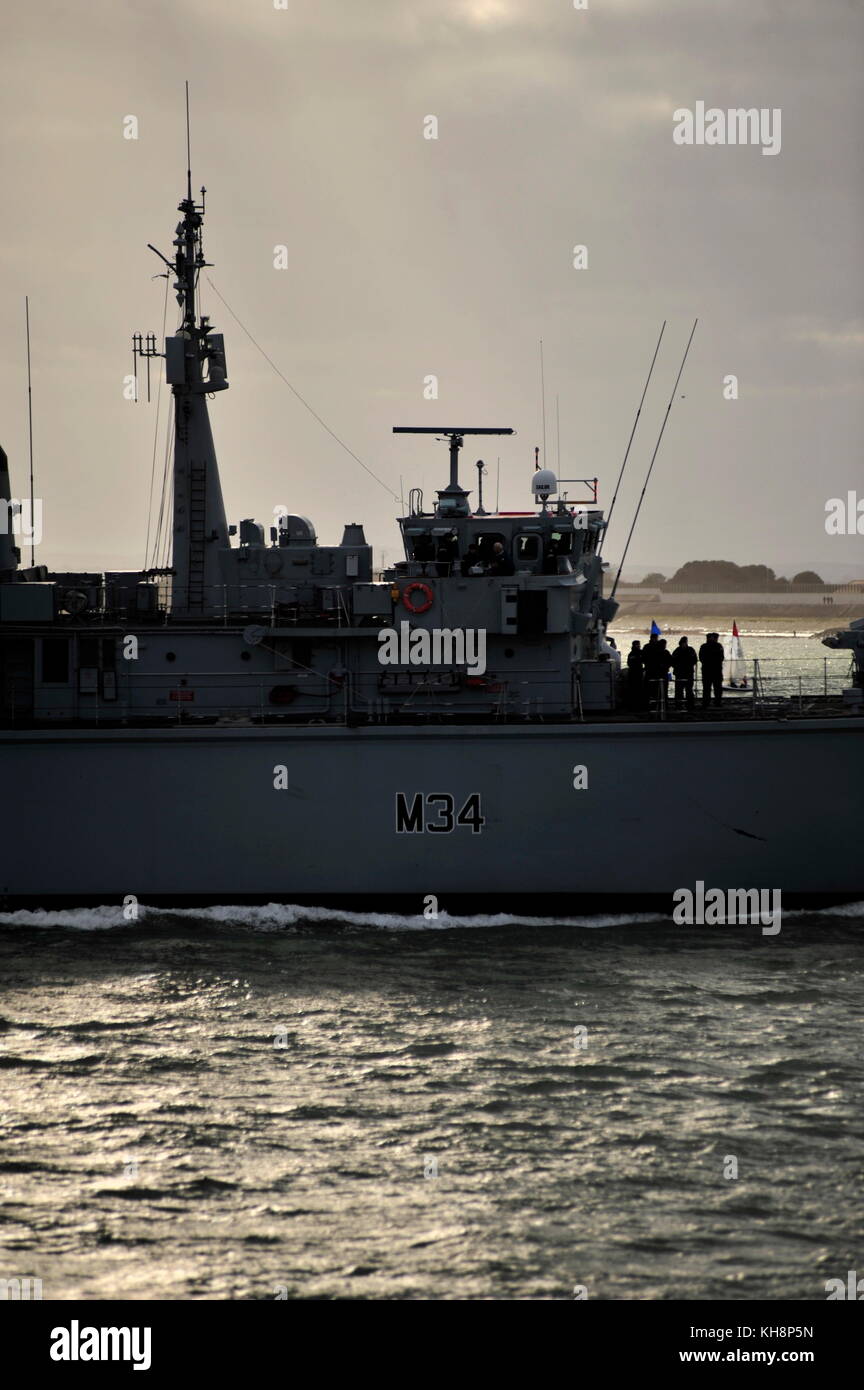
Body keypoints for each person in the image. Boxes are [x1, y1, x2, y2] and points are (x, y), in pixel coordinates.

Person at [670, 635, 697, 710]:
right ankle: (679, 705)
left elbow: (694, 660)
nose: (684, 644)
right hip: (680, 673)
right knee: (679, 691)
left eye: (685, 643)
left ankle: (690, 705)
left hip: (688, 673)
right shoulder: (677, 651)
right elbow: (672, 661)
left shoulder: (690, 650)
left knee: (689, 690)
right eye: (683, 643)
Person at [698, 632, 724, 708]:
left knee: (707, 688)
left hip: (707, 670)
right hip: (716, 670)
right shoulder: (718, 646)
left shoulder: (704, 646)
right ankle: (717, 703)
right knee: (717, 688)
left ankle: (706, 703)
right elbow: (721, 658)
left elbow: (701, 658)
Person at [626, 640, 644, 709]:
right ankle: (636, 706)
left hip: (635, 673)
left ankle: (634, 706)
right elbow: (630, 663)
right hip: (635, 674)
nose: (639, 646)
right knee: (636, 690)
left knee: (634, 690)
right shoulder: (634, 653)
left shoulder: (634, 653)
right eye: (638, 645)